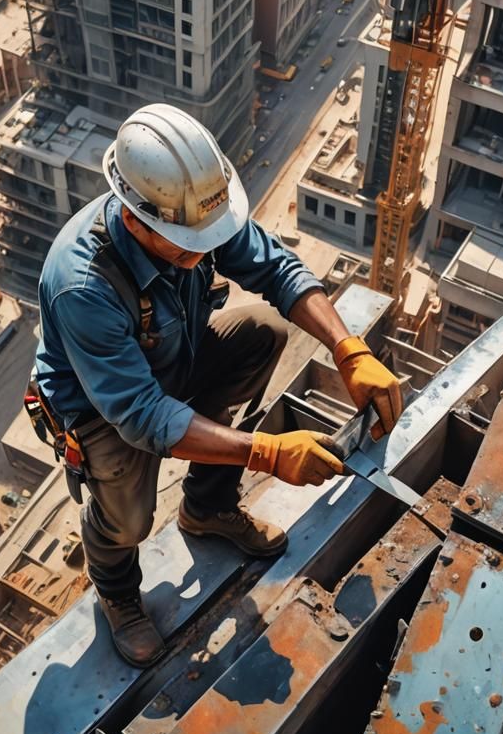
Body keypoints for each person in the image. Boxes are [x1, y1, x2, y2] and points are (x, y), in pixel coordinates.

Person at [33, 104, 403, 666]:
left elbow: (277, 269)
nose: (204, 254)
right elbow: (143, 417)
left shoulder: (188, 220)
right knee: (126, 518)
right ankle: (117, 594)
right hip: (104, 408)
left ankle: (207, 507)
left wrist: (347, 348)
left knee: (260, 332)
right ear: (134, 221)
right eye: (187, 246)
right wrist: (266, 453)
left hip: (172, 357)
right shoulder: (83, 285)